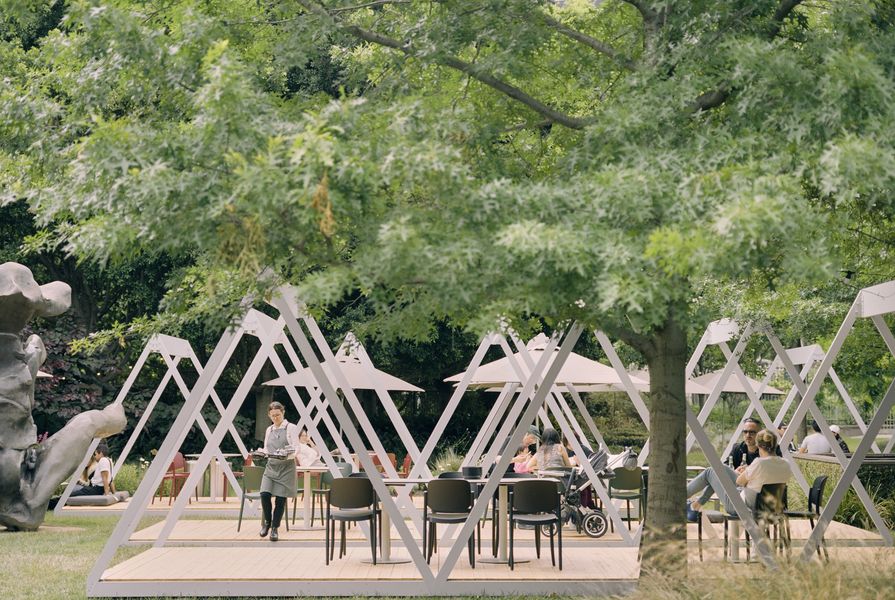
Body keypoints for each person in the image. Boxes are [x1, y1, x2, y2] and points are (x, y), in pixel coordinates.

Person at [688, 430, 791, 516]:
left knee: (710, 472)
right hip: (773, 506)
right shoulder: (786, 463)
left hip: (740, 506)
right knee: (720, 470)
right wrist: (749, 471)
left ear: (758, 446)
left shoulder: (759, 463)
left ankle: (683, 498)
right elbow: (767, 480)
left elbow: (739, 482)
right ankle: (694, 507)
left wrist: (746, 471)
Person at [259, 401, 299, 542]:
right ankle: (267, 523)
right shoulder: (269, 430)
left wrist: (288, 455)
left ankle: (275, 529)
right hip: (271, 466)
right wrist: (262, 453)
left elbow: (296, 447)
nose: (275, 418)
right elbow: (266, 447)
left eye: (278, 415)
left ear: (283, 413)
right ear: (269, 415)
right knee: (264, 494)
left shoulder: (291, 428)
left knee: (280, 500)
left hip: (286, 467)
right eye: (273, 415)